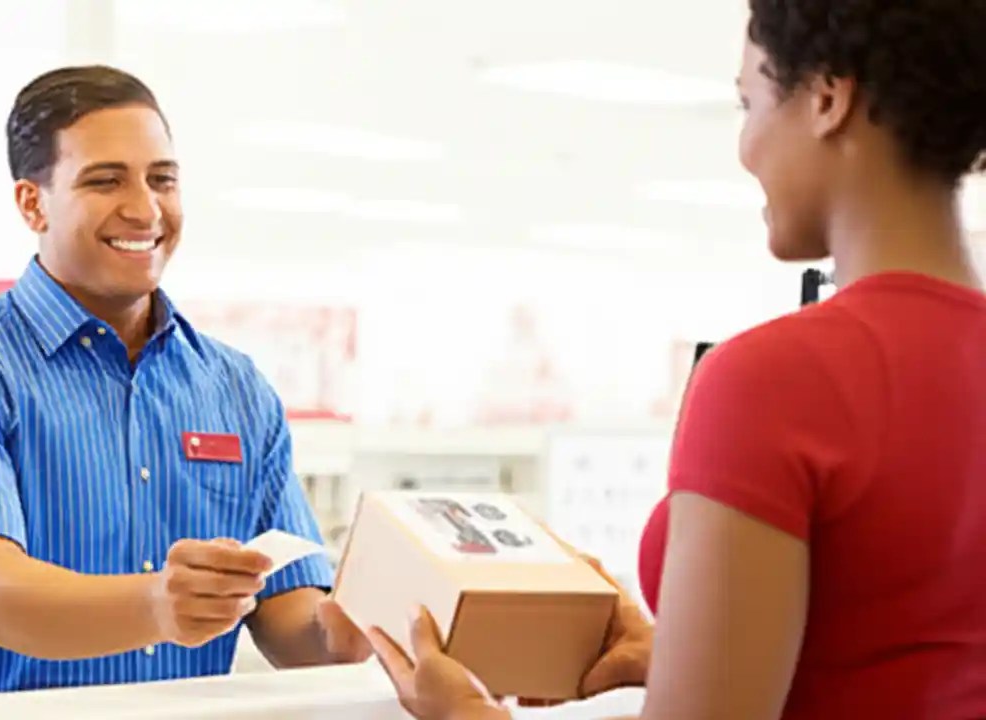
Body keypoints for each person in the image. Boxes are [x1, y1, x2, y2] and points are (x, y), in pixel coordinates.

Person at [366, 0, 986, 718]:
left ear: (825, 99)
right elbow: (916, 644)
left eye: (748, 103)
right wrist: (680, 651)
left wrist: (466, 715)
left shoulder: (774, 381)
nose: (745, 145)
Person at [0, 65, 369, 699]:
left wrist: (360, 632)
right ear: (33, 203)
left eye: (162, 179)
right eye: (105, 181)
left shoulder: (236, 389)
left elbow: (292, 620)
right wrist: (158, 606)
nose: (145, 209)